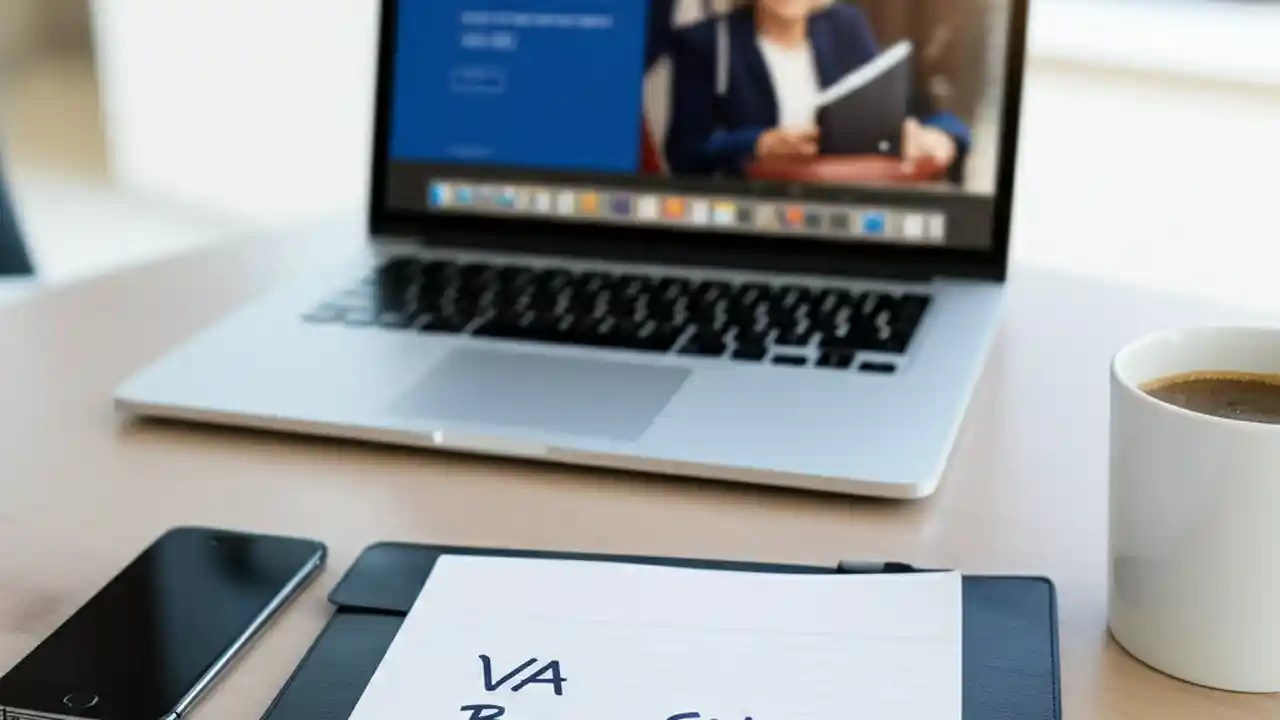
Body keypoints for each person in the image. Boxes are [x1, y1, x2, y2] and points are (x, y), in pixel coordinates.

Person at [665, 0, 970, 179]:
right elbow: (684, 154)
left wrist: (942, 136)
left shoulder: (844, 27)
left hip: (847, 206)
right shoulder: (705, 42)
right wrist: (760, 143)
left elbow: (917, 112)